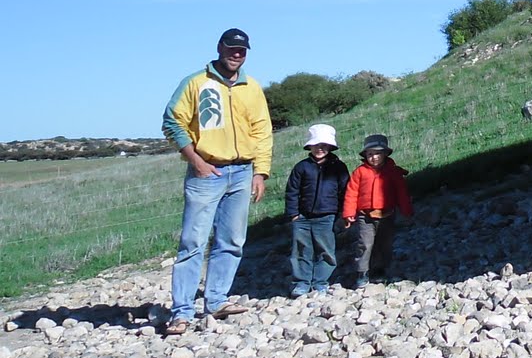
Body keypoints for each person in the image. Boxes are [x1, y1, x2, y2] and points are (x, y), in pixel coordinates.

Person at [161, 27, 273, 335]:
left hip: (242, 172)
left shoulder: (252, 87)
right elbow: (172, 121)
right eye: (232, 48)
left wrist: (260, 171)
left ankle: (216, 300)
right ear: (220, 48)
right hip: (206, 172)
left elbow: (262, 131)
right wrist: (195, 160)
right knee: (193, 243)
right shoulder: (196, 83)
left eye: (242, 50)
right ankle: (182, 311)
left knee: (233, 241)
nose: (237, 54)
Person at [339, 133, 413, 288]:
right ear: (365, 155)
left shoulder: (393, 172)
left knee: (384, 244)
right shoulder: (359, 172)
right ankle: (362, 272)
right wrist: (348, 214)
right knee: (365, 244)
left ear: (385, 154)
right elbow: (351, 193)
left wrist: (406, 210)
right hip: (365, 217)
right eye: (370, 154)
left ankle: (379, 269)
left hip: (387, 215)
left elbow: (401, 192)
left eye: (377, 153)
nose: (373, 157)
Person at [284, 123, 349, 296]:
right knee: (301, 250)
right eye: (316, 145)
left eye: (324, 145)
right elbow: (292, 191)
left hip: (327, 216)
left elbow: (346, 191)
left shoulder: (339, 167)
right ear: (310, 146)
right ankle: (302, 283)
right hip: (302, 217)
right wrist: (293, 214)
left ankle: (321, 282)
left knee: (326, 250)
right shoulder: (301, 167)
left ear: (330, 146)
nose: (320, 149)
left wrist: (343, 214)